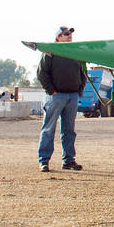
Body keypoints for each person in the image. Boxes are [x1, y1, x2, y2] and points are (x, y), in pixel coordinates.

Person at [36, 26, 88, 174]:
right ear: (58, 37)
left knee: (69, 131)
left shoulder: (76, 53)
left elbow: (83, 72)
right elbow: (42, 74)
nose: (69, 35)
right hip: (55, 96)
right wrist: (51, 91)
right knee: (48, 129)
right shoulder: (50, 52)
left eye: (70, 33)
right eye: (66, 34)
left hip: (72, 96)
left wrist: (79, 90)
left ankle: (69, 161)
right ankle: (44, 161)